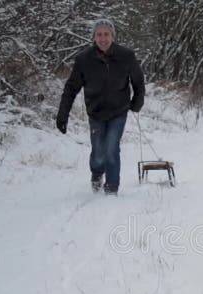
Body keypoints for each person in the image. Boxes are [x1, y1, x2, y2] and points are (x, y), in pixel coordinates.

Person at [56, 18, 145, 195]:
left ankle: (112, 188)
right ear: (94, 37)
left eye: (106, 34)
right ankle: (97, 173)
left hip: (118, 110)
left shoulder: (126, 56)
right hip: (95, 112)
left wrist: (137, 102)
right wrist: (62, 114)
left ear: (112, 35)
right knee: (98, 151)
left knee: (112, 148)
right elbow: (71, 88)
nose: (103, 38)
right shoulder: (84, 59)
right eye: (99, 35)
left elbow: (138, 81)